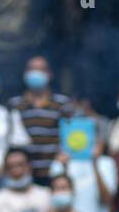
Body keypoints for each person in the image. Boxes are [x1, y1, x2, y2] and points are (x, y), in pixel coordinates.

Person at [7, 56, 73, 185]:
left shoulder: (62, 103)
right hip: (22, 176)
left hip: (54, 174)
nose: (36, 73)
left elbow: (71, 135)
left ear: (49, 75)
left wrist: (65, 155)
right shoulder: (15, 104)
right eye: (32, 69)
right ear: (25, 74)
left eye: (40, 69)